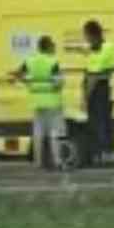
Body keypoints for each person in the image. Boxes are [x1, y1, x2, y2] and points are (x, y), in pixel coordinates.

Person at [23, 35, 66, 169]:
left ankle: (37, 162)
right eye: (52, 45)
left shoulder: (30, 61)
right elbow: (58, 82)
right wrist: (58, 84)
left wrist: (30, 84)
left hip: (37, 102)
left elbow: (21, 75)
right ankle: (57, 161)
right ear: (47, 47)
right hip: (52, 102)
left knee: (38, 133)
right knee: (55, 133)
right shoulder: (52, 62)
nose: (53, 47)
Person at [81, 20, 114, 169]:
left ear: (93, 35)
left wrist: (85, 96)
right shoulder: (95, 50)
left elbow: (94, 75)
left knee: (100, 124)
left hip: (100, 90)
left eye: (86, 35)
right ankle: (102, 155)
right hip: (97, 89)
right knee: (100, 124)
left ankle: (104, 156)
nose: (86, 39)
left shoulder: (106, 48)